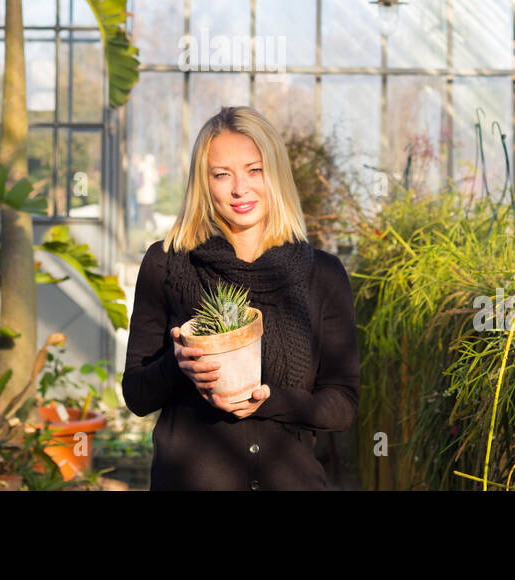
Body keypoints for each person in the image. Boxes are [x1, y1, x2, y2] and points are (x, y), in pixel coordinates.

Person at [121, 105, 360, 490]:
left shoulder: (323, 275)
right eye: (221, 174)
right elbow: (136, 394)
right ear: (204, 182)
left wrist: (271, 400)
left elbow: (343, 403)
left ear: (276, 175)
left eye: (254, 170)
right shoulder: (165, 263)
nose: (239, 188)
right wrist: (178, 366)